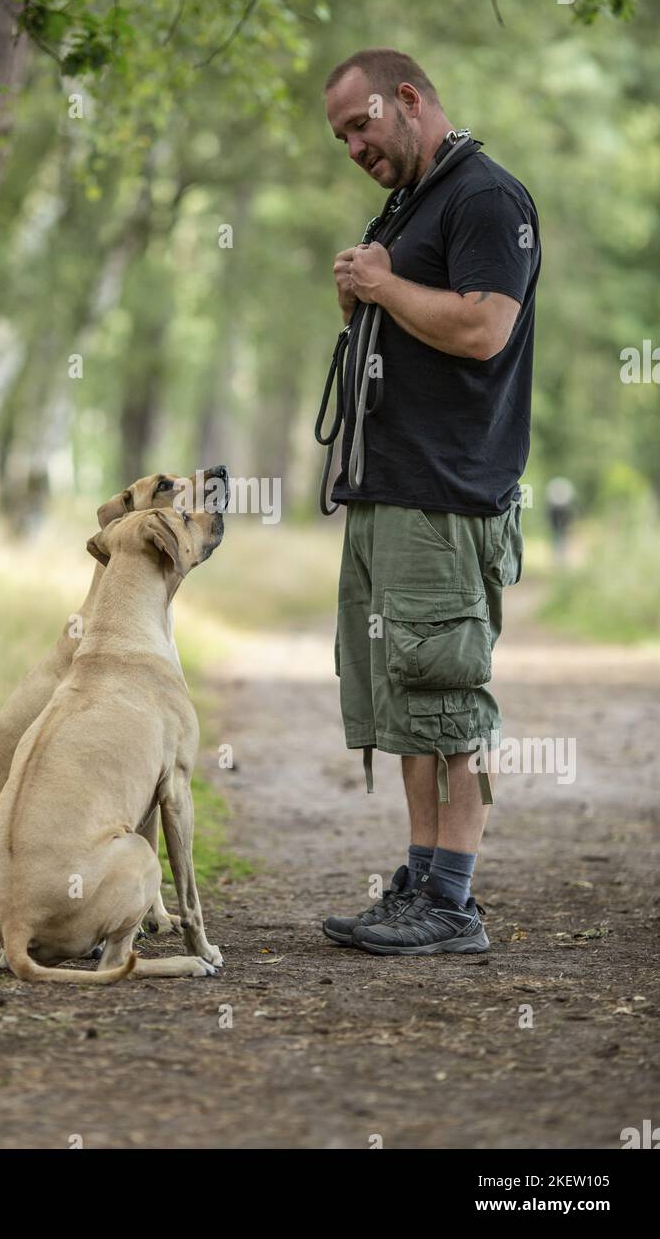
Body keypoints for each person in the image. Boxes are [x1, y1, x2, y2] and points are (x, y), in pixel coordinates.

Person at [320, 49, 540, 955]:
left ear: (406, 98)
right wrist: (361, 302)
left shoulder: (487, 197)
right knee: (408, 699)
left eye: (361, 124)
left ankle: (452, 902)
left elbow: (487, 328)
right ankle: (422, 878)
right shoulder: (413, 200)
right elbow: (410, 321)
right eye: (340, 137)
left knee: (446, 696)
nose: (353, 146)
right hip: (392, 489)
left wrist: (381, 285)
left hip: (446, 497)